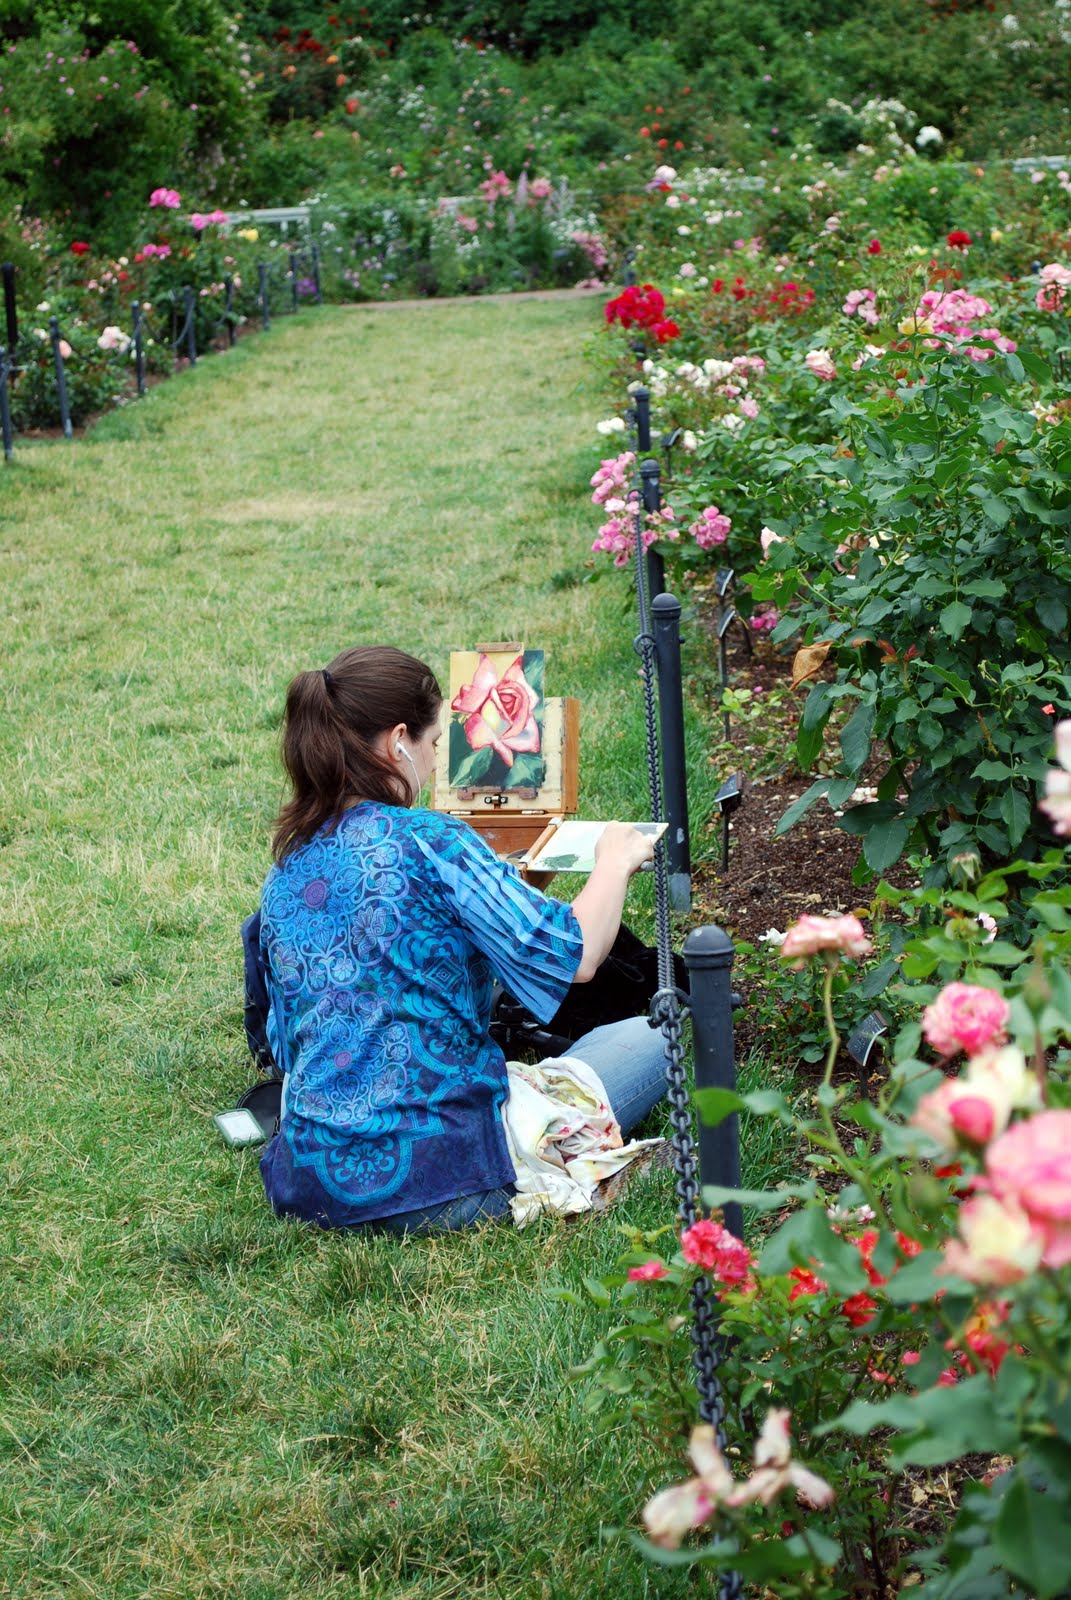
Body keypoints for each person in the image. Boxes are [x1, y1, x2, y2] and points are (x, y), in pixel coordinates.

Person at [257, 644, 666, 1233]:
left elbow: (288, 1044)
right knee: (663, 1032)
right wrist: (614, 858)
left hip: (312, 1185)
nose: (434, 761)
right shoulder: (433, 838)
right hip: (446, 1179)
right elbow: (574, 957)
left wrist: (517, 888)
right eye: (432, 745)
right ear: (400, 740)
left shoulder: (286, 869)